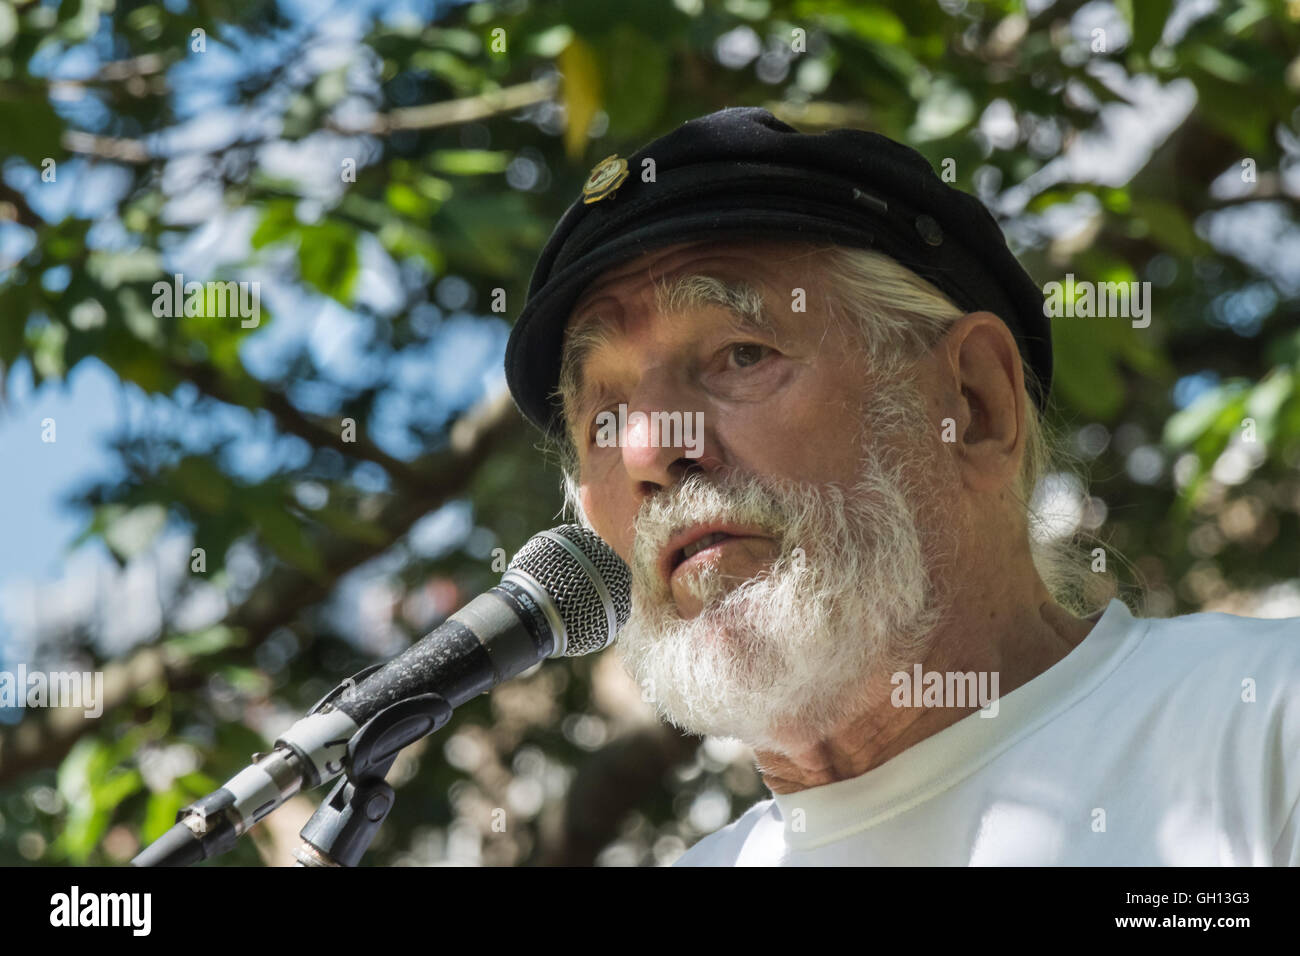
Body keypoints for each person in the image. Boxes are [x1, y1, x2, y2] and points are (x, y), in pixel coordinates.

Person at [504, 107, 1300, 865]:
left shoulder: (1265, 727)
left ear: (974, 403)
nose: (648, 447)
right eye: (602, 418)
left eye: (740, 354)